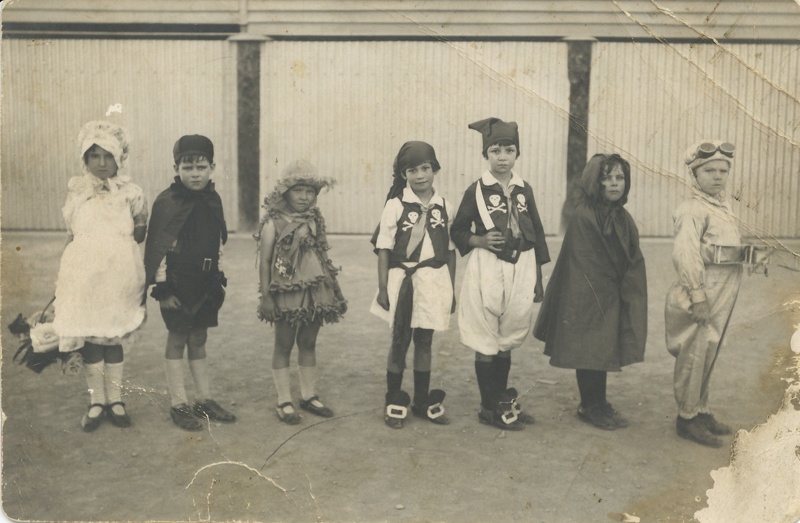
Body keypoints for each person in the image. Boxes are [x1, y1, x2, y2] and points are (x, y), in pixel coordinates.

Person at [533, 154, 647, 430]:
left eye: (620, 178)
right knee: (589, 349)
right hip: (586, 294)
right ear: (595, 182)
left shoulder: (621, 216)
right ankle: (589, 405)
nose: (614, 184)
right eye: (606, 178)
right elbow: (585, 257)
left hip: (609, 294)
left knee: (603, 347)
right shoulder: (585, 215)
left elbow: (630, 255)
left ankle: (600, 402)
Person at [451, 117, 550, 431]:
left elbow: (536, 233)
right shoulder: (476, 190)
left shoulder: (524, 190)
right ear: (486, 155)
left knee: (508, 333)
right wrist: (479, 239)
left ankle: (502, 400)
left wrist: (537, 276)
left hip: (521, 265)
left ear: (517, 154)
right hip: (488, 267)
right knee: (486, 335)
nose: (503, 156)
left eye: (509, 150)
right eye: (496, 150)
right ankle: (487, 406)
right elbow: (457, 230)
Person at [52, 120, 148, 431]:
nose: (102, 163)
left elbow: (140, 229)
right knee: (91, 336)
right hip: (86, 274)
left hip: (118, 275)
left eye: (108, 156)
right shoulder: (77, 190)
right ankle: (96, 400)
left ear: (119, 158)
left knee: (113, 335)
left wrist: (117, 253)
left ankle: (115, 398)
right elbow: (72, 232)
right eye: (95, 156)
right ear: (85, 158)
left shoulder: (130, 192)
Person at [144, 134, 236, 432]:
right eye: (187, 167)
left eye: (201, 167)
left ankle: (203, 398)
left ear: (212, 167)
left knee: (198, 338)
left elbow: (218, 241)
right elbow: (158, 248)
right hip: (177, 283)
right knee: (178, 337)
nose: (195, 174)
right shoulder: (167, 202)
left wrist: (216, 277)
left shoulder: (213, 199)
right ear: (176, 168)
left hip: (205, 282)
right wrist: (163, 288)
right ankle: (178, 402)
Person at [664, 141, 747, 447]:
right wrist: (697, 294)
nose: (717, 176)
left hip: (724, 288)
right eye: (709, 170)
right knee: (696, 351)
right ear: (695, 175)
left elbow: (721, 248)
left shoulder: (722, 206)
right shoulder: (692, 209)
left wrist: (751, 256)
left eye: (723, 170)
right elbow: (686, 254)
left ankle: (700, 411)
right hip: (703, 289)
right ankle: (686, 419)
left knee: (710, 349)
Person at [370, 141, 457, 429]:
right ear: (403, 174)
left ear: (435, 169)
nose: (420, 176)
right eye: (413, 170)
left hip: (433, 282)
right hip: (402, 282)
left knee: (425, 340)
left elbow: (450, 251)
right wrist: (383, 289)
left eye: (425, 168)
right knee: (399, 341)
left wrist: (451, 290)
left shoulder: (445, 206)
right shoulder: (395, 206)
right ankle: (393, 397)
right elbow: (383, 249)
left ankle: (421, 398)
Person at [256, 160, 347, 425]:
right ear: (285, 192)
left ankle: (308, 395)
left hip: (315, 292)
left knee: (308, 342)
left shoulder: (315, 219)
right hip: (286, 291)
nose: (304, 196)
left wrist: (333, 292)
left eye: (309, 191)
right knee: (283, 344)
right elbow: (264, 261)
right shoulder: (273, 223)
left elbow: (321, 254)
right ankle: (284, 399)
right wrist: (267, 296)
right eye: (298, 190)